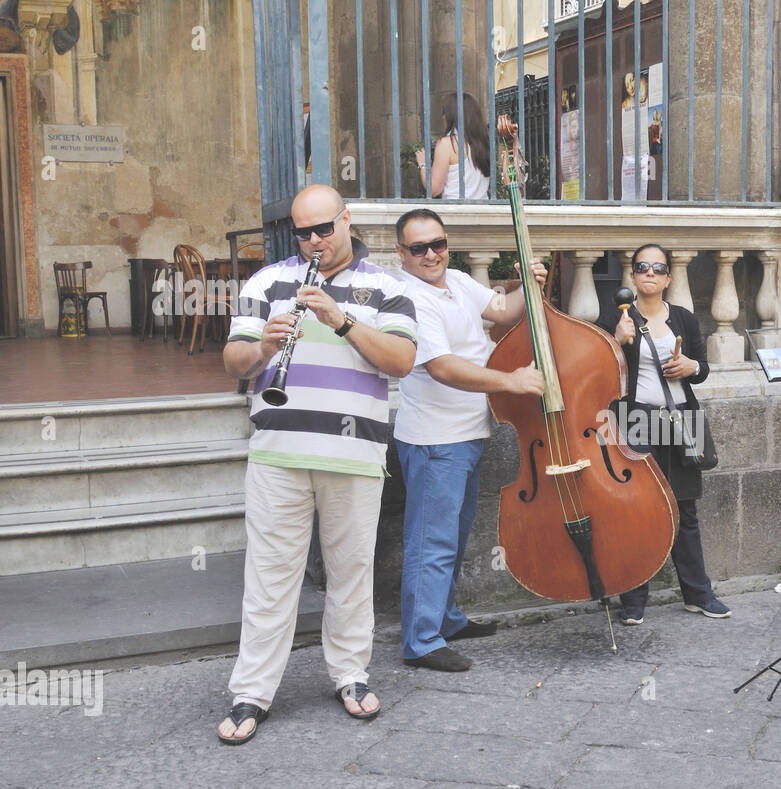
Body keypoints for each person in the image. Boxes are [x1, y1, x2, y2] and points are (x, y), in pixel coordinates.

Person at [216, 184, 418, 744]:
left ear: (347, 221)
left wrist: (342, 320)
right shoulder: (266, 281)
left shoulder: (386, 286)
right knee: (268, 576)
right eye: (302, 232)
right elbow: (233, 360)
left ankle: (350, 675)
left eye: (323, 229)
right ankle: (251, 691)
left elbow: (401, 360)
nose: (313, 241)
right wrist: (260, 350)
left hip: (354, 455)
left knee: (352, 571)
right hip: (278, 453)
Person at [393, 207, 548, 671]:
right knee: (431, 541)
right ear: (401, 253)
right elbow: (441, 367)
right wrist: (511, 383)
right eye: (418, 248)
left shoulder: (457, 280)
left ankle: (446, 618)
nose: (431, 254)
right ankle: (421, 641)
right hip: (435, 438)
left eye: (437, 243)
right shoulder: (410, 298)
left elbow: (501, 309)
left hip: (465, 432)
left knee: (453, 537)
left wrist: (529, 284)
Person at [596, 243, 731, 625]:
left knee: (684, 508)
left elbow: (702, 369)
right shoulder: (616, 318)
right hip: (636, 420)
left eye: (658, 268)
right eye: (643, 267)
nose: (650, 273)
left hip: (680, 420)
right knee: (636, 510)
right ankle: (634, 599)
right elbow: (598, 372)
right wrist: (616, 342)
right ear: (634, 277)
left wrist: (691, 366)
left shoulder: (685, 319)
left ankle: (698, 593)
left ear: (669, 277)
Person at [414, 92, 490, 200]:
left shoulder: (447, 144)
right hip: (483, 209)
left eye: (444, 112)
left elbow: (434, 189)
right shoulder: (484, 142)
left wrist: (423, 165)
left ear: (451, 115)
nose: (442, 117)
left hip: (456, 210)